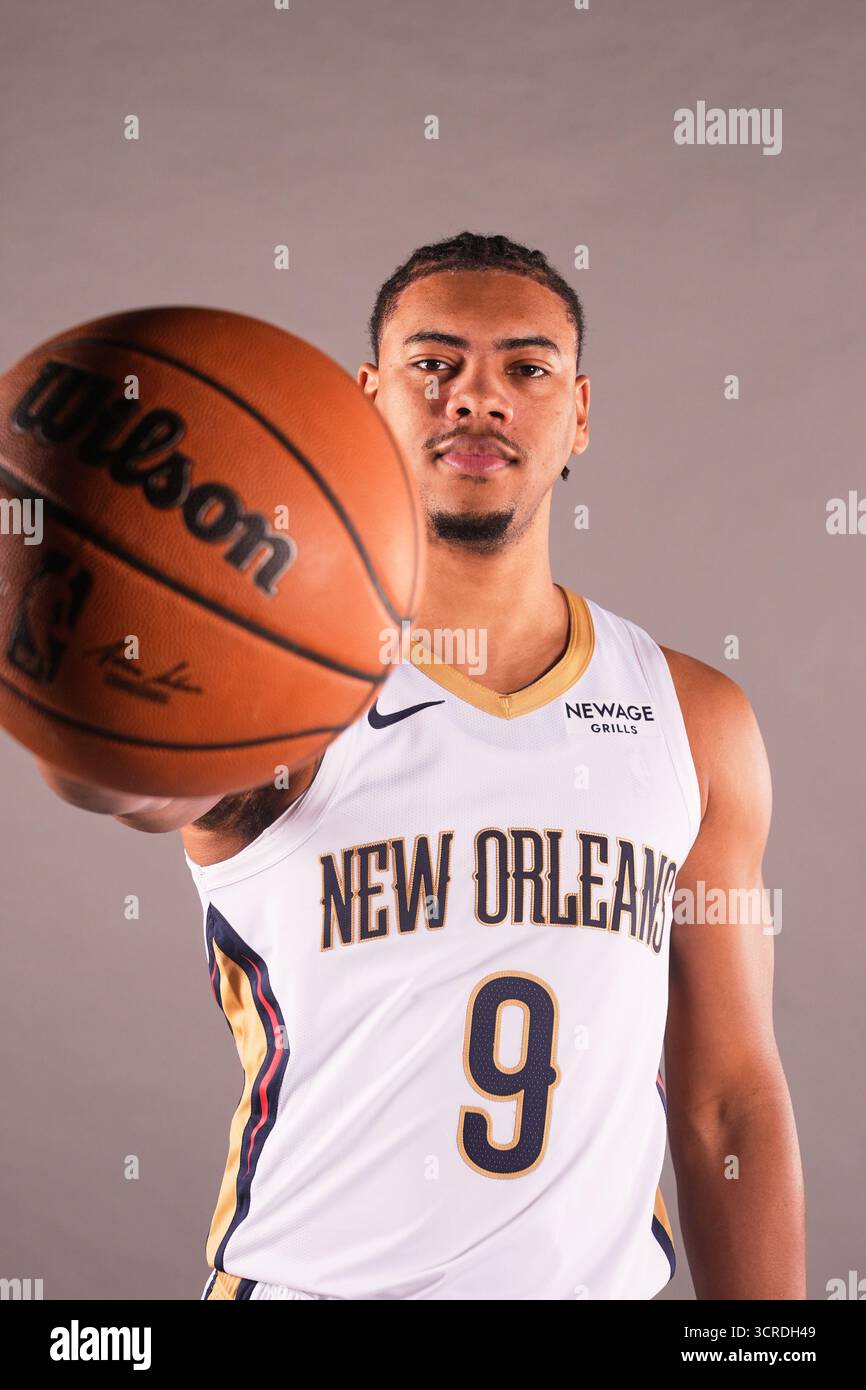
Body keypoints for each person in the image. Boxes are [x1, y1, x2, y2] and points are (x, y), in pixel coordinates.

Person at [36, 231, 805, 1300]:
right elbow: (126, 783)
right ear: (365, 401)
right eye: (432, 365)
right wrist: (66, 663)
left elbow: (727, 1097)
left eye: (524, 369)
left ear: (577, 410)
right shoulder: (270, 695)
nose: (473, 399)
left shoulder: (692, 716)